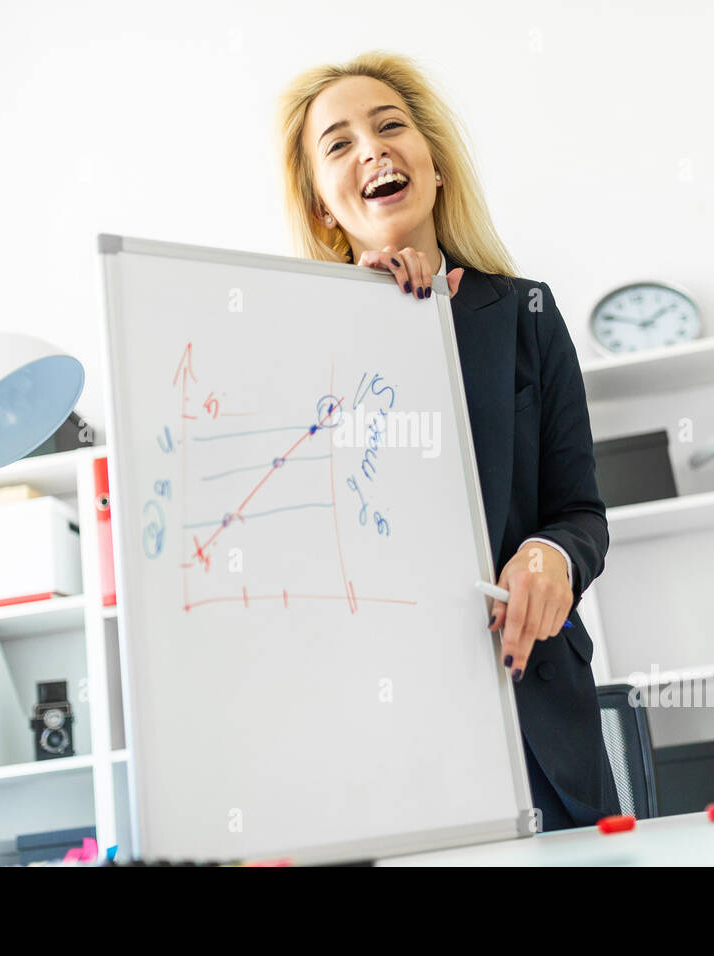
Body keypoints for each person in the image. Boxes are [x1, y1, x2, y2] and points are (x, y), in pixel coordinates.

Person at [276, 51, 620, 830]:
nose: (372, 148)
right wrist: (379, 332)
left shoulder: (529, 313)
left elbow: (580, 512)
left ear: (434, 169)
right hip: (379, 735)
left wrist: (550, 555)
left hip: (536, 717)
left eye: (391, 126)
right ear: (325, 206)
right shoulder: (298, 344)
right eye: (339, 144)